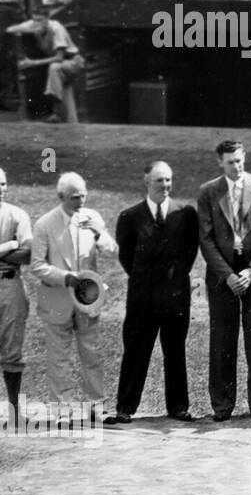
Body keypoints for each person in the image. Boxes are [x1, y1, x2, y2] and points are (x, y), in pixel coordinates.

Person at [107, 162, 200, 424]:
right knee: (136, 352)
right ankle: (125, 407)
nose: (165, 186)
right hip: (142, 299)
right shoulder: (130, 216)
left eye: (169, 180)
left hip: (175, 297)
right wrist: (147, 280)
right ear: (146, 181)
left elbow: (189, 254)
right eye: (159, 180)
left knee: (175, 352)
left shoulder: (185, 214)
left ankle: (178, 407)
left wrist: (174, 280)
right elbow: (127, 258)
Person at [196, 139, 251, 423]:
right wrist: (228, 275)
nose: (237, 166)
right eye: (230, 162)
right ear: (220, 162)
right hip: (223, 275)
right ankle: (222, 404)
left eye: (240, 160)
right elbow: (205, 238)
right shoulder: (209, 191)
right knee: (222, 340)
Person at [30, 172, 117, 410]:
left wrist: (99, 232)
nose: (81, 202)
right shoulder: (45, 224)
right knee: (59, 357)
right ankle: (61, 409)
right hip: (57, 298)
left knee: (92, 353)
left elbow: (111, 250)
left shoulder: (92, 217)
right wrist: (65, 278)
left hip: (88, 299)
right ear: (61, 197)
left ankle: (96, 406)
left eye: (83, 196)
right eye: (74, 198)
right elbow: (36, 265)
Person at [6, 12, 84, 124]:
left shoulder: (57, 29)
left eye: (40, 20)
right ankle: (71, 124)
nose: (37, 23)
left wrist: (33, 63)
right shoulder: (34, 25)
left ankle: (56, 112)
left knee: (54, 68)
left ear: (48, 19)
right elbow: (10, 30)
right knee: (65, 93)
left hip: (73, 62)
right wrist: (28, 29)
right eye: (35, 20)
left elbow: (59, 57)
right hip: (62, 67)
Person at [0, 166, 32, 422]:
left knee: (12, 350)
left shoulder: (16, 214)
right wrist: (9, 245)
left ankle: (14, 411)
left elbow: (29, 252)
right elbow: (17, 249)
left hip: (9, 283)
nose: (0, 189)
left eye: (2, 184)